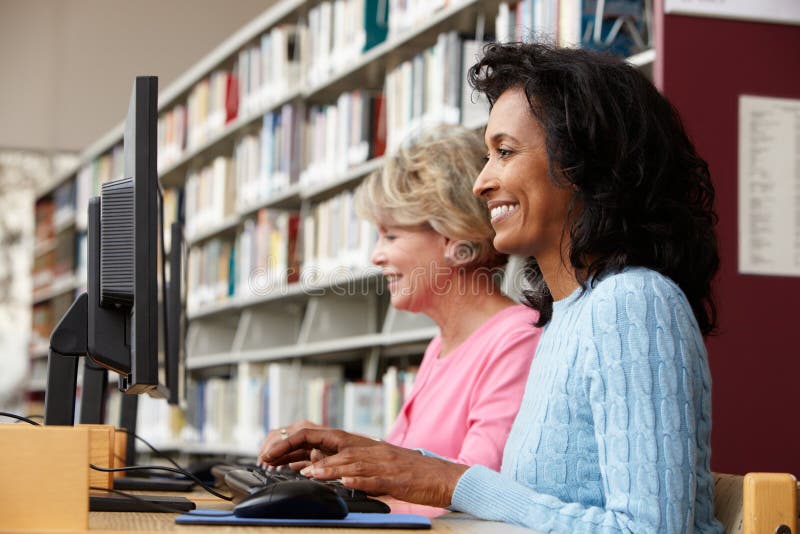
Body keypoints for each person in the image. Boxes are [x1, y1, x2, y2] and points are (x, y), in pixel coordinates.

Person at [263, 41, 725, 533]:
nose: (482, 182)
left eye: (504, 152)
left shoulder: (633, 303)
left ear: (584, 162)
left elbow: (652, 531)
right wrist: (370, 462)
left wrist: (449, 481)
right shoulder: (568, 317)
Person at [258, 125, 541, 473]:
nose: (376, 256)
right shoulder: (440, 345)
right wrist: (330, 460)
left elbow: (475, 490)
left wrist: (348, 454)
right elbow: (408, 472)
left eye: (390, 236)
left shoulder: (517, 341)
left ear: (454, 236)